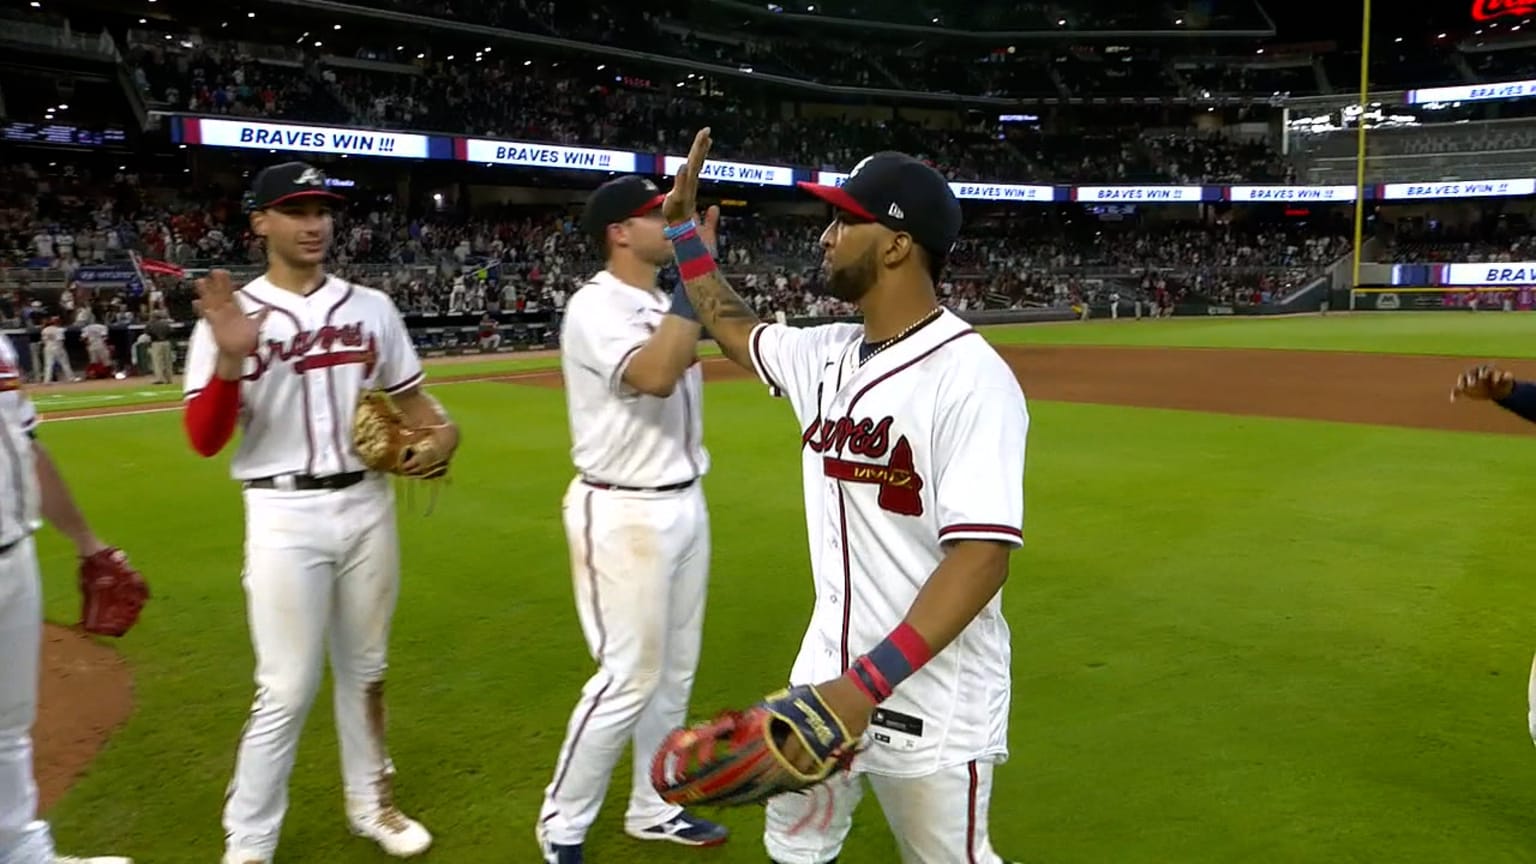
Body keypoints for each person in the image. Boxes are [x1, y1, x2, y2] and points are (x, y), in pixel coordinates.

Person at [667, 141, 1028, 864]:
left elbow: (983, 558)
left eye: (844, 222)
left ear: (897, 246)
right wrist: (683, 238)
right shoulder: (824, 353)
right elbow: (733, 327)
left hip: (930, 698)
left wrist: (865, 687)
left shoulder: (971, 379)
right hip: (818, 680)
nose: (825, 236)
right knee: (795, 850)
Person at [180, 162, 459, 864]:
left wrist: (443, 438)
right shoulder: (232, 314)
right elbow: (204, 440)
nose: (314, 223)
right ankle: (249, 838)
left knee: (366, 667)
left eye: (323, 209)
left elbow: (416, 404)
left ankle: (372, 803)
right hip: (282, 513)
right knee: (286, 685)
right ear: (261, 223)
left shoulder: (372, 307)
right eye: (296, 209)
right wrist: (229, 359)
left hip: (367, 503)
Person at [535, 131, 729, 864]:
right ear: (620, 232)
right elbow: (653, 376)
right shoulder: (597, 306)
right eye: (658, 216)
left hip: (684, 500)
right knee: (628, 675)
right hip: (621, 510)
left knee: (674, 674)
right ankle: (562, 824)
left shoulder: (655, 299)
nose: (670, 223)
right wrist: (693, 271)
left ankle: (654, 808)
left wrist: (694, 270)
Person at [0, 324, 137, 864]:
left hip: (14, 554)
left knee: (9, 726)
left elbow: (26, 448)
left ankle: (23, 852)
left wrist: (87, 543)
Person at [39, 320, 70, 384]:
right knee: (65, 363)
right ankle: (70, 377)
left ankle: (46, 380)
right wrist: (61, 348)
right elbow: (61, 340)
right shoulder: (58, 329)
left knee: (48, 365)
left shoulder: (44, 330)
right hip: (58, 347)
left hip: (48, 348)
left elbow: (44, 341)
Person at [145, 312, 174, 384]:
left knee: (158, 362)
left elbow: (147, 332)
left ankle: (160, 378)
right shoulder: (165, 323)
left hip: (156, 343)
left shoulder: (151, 323)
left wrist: (155, 336)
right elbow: (171, 331)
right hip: (166, 342)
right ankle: (169, 379)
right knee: (168, 361)